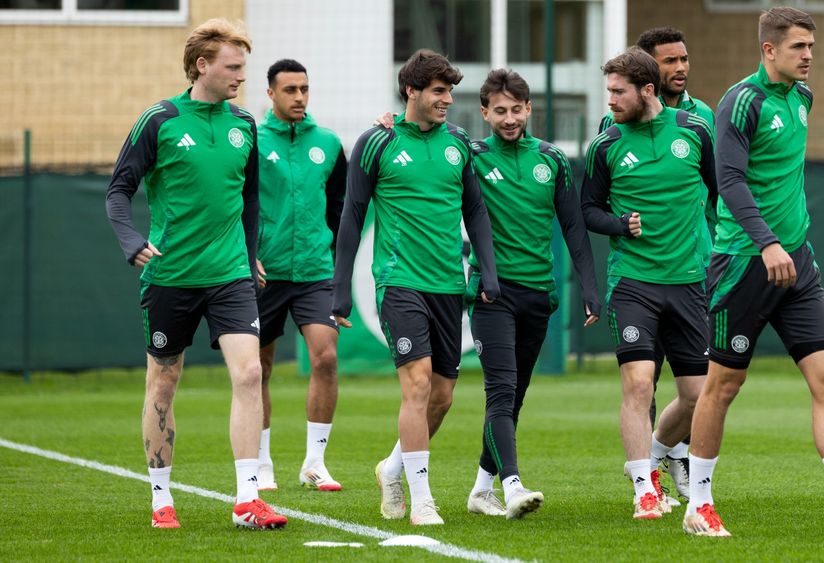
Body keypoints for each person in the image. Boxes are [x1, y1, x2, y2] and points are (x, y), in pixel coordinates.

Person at [683, 7, 824, 537]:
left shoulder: (804, 98)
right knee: (722, 385)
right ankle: (698, 504)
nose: (808, 55)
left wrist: (787, 245)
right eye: (797, 47)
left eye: (811, 46)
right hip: (744, 261)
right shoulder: (741, 102)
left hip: (798, 261)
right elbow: (732, 182)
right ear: (769, 50)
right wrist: (765, 244)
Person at [105, 18, 287, 530]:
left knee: (251, 373)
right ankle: (162, 498)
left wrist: (250, 253)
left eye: (243, 67)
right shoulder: (159, 120)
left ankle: (247, 499)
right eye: (233, 67)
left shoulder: (244, 124)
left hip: (229, 274)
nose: (241, 77)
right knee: (163, 383)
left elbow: (250, 197)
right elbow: (118, 191)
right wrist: (132, 242)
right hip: (170, 276)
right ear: (202, 65)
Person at [331, 49, 500, 526]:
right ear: (412, 91)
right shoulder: (376, 142)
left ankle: (392, 467)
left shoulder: (459, 143)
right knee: (418, 384)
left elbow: (477, 211)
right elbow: (351, 217)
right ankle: (422, 497)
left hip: (449, 283)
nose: (448, 100)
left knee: (443, 396)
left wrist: (487, 268)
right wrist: (339, 287)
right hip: (399, 281)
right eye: (439, 92)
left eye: (450, 92)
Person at [581, 48, 716, 520]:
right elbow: (589, 210)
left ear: (648, 91)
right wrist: (620, 224)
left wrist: (721, 254)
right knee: (639, 385)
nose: (611, 100)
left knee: (698, 395)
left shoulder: (696, 132)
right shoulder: (605, 144)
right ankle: (644, 489)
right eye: (609, 90)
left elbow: (722, 193)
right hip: (633, 281)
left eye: (619, 92)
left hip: (689, 281)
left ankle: (656, 452)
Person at [463, 69, 601, 520]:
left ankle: (481, 488)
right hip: (490, 295)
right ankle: (512, 485)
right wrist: (388, 125)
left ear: (529, 109)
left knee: (515, 393)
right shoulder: (471, 154)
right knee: (501, 389)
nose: (508, 118)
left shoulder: (553, 160)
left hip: (539, 295)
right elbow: (423, 130)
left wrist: (589, 285)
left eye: (516, 109)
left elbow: (574, 228)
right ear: (484, 112)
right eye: (498, 110)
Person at [253, 59, 347, 493]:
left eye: (304, 89)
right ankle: (262, 462)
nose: (299, 97)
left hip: (315, 270)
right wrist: (249, 253)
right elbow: (237, 201)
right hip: (263, 273)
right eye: (289, 90)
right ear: (270, 93)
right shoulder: (251, 140)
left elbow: (340, 206)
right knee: (260, 368)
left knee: (325, 357)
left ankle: (314, 462)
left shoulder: (328, 143)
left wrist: (330, 252)